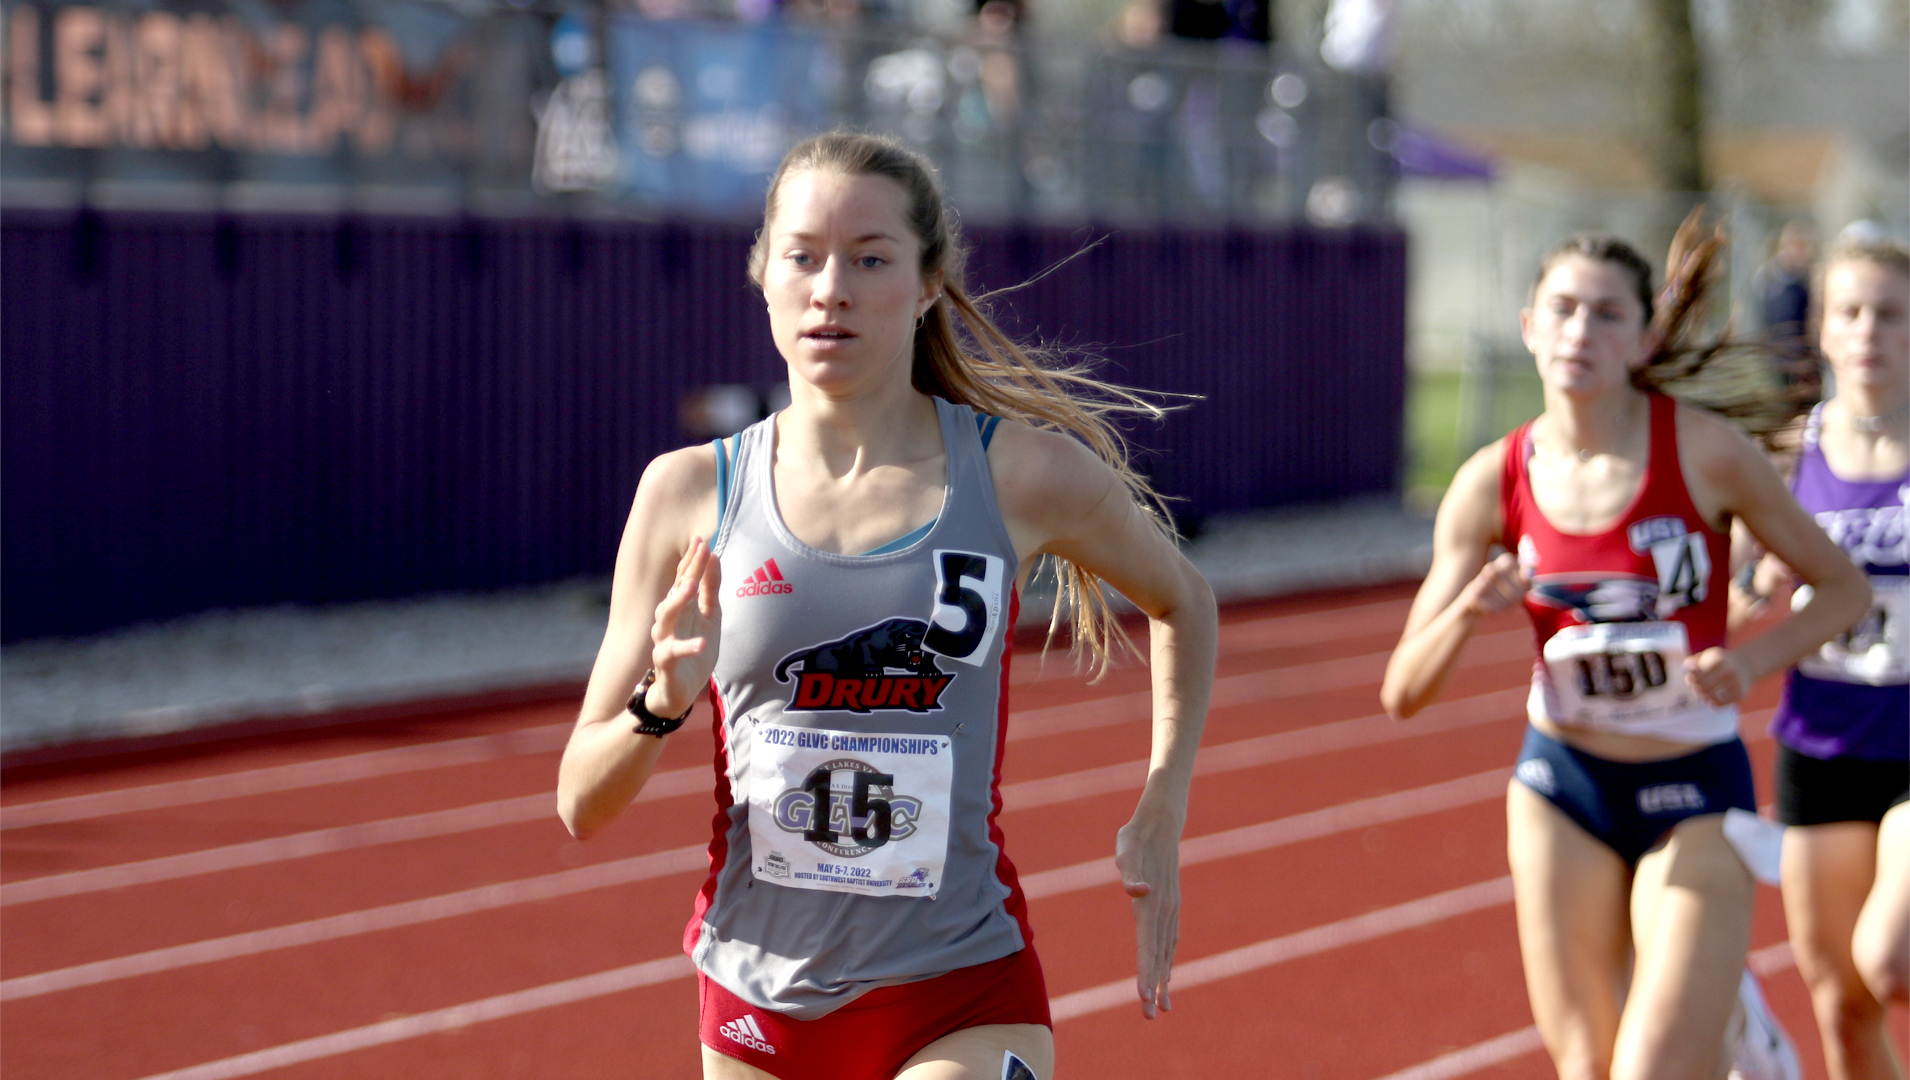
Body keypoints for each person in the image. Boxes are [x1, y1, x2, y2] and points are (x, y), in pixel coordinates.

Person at [555, 131, 1217, 1080]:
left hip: (956, 987)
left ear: (929, 284)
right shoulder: (687, 494)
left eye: (870, 259)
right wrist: (661, 701)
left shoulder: (1019, 474)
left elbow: (1184, 602)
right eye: (805, 257)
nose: (833, 288)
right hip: (757, 998)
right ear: (765, 277)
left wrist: (1163, 804)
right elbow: (580, 802)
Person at [1380, 215, 1872, 1080]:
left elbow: (1843, 589)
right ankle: (1725, 1019)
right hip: (1560, 787)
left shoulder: (1706, 453)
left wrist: (1751, 662)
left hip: (1692, 786)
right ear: (1529, 325)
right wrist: (1464, 610)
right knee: (1587, 1064)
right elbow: (1402, 692)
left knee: (1652, 1070)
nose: (1580, 331)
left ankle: (1732, 1028)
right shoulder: (1489, 482)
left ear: (1642, 337)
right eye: (1562, 309)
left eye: (1607, 314)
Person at [1741, 236, 1908, 1080]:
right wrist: (1752, 577)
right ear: (1822, 330)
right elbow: (1732, 582)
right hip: (1823, 742)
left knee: (1893, 957)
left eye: (1890, 313)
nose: (1869, 330)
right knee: (1844, 1006)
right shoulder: (1783, 453)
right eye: (1850, 311)